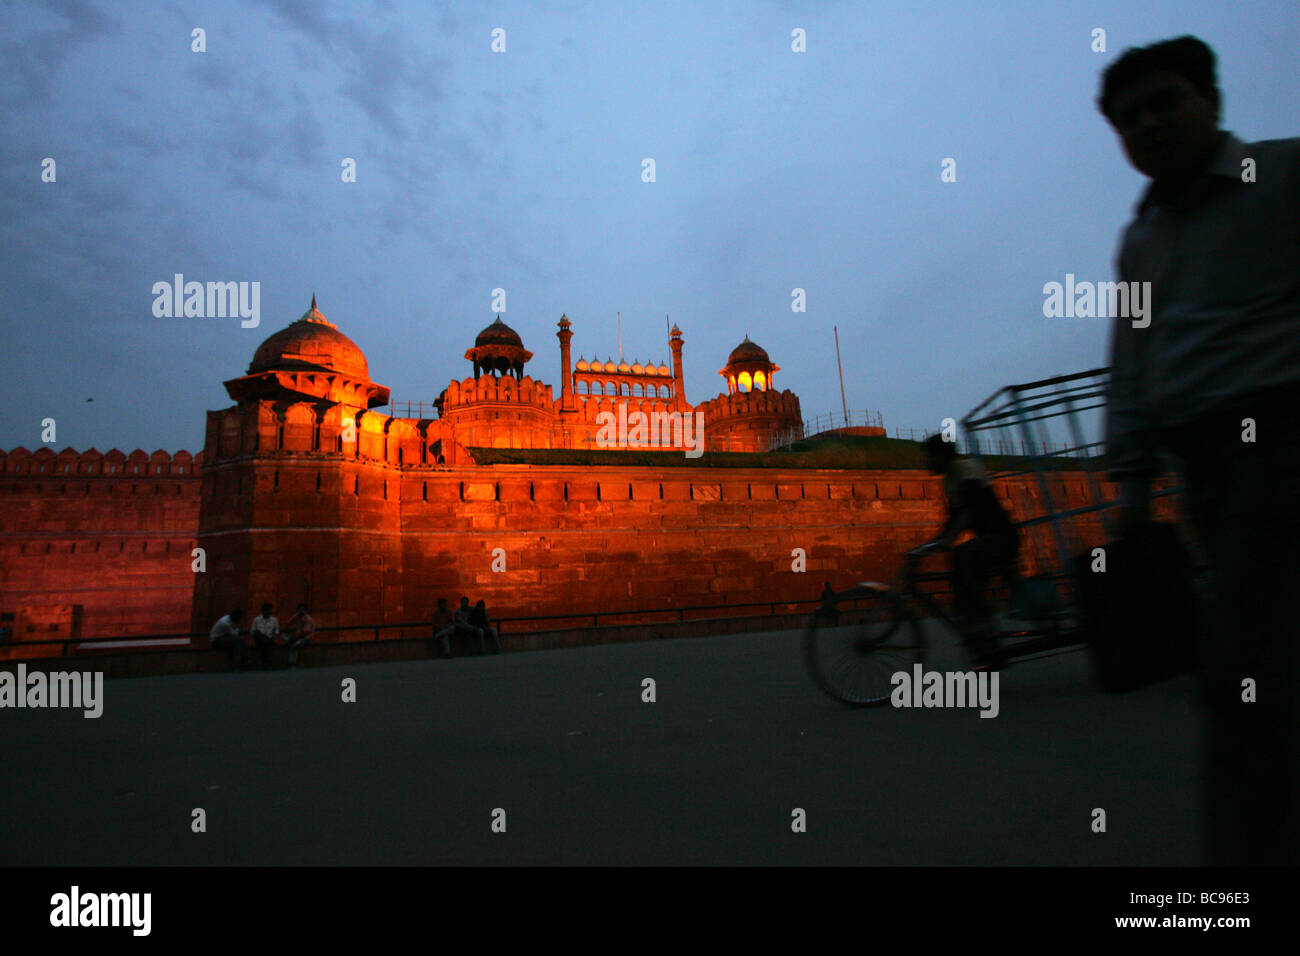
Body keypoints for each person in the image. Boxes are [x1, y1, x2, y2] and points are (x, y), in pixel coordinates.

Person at [1098, 35, 1300, 865]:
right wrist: (1131, 488)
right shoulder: (1143, 240)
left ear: (1211, 99)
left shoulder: (1283, 178)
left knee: (1244, 679)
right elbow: (1134, 363)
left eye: (1166, 102)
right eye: (1130, 116)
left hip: (1283, 442)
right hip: (1204, 470)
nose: (1149, 124)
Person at [915, 435, 1019, 663]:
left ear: (941, 456)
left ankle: (984, 622)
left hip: (1001, 537)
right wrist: (927, 546)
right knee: (962, 574)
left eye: (930, 457)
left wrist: (947, 540)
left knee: (962, 557)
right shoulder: (951, 479)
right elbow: (953, 519)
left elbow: (969, 509)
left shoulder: (965, 469)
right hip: (990, 539)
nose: (927, 463)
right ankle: (983, 638)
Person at [283, 603, 314, 667]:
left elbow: (306, 633)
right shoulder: (297, 616)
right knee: (286, 639)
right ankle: (291, 662)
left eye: (302, 610)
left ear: (305, 611)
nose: (300, 611)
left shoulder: (308, 619)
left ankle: (292, 662)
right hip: (298, 636)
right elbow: (287, 623)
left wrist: (295, 637)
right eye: (299, 610)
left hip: (306, 638)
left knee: (295, 645)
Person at [250, 602, 280, 669]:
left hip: (269, 637)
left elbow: (277, 630)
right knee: (263, 639)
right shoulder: (257, 620)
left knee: (267, 643)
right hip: (259, 638)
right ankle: (267, 663)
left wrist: (274, 634)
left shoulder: (274, 620)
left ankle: (265, 662)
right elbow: (253, 631)